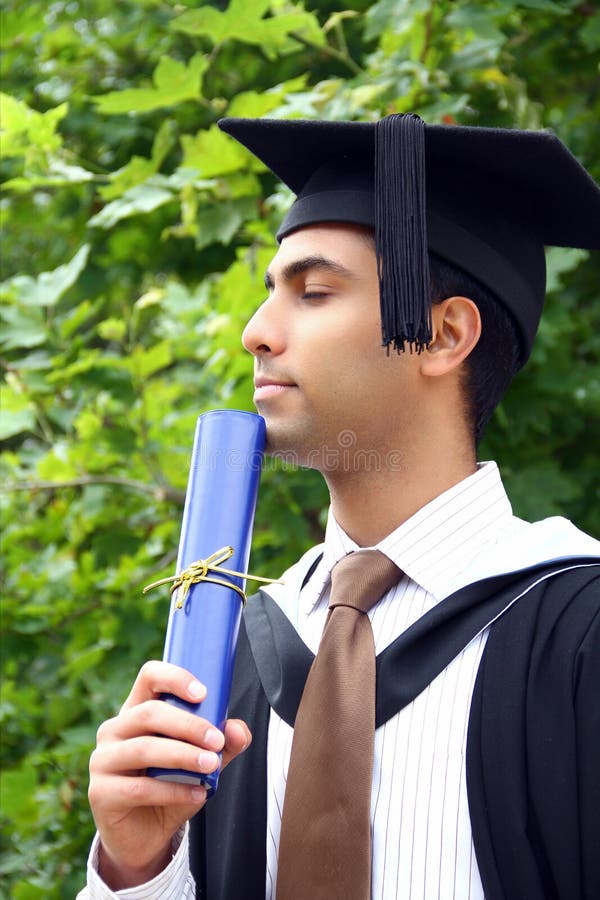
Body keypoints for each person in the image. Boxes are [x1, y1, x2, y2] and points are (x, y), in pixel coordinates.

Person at [79, 114, 600, 900]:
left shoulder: (580, 633)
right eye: (268, 297)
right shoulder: (237, 658)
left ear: (442, 334)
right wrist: (138, 868)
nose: (256, 333)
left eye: (314, 292)